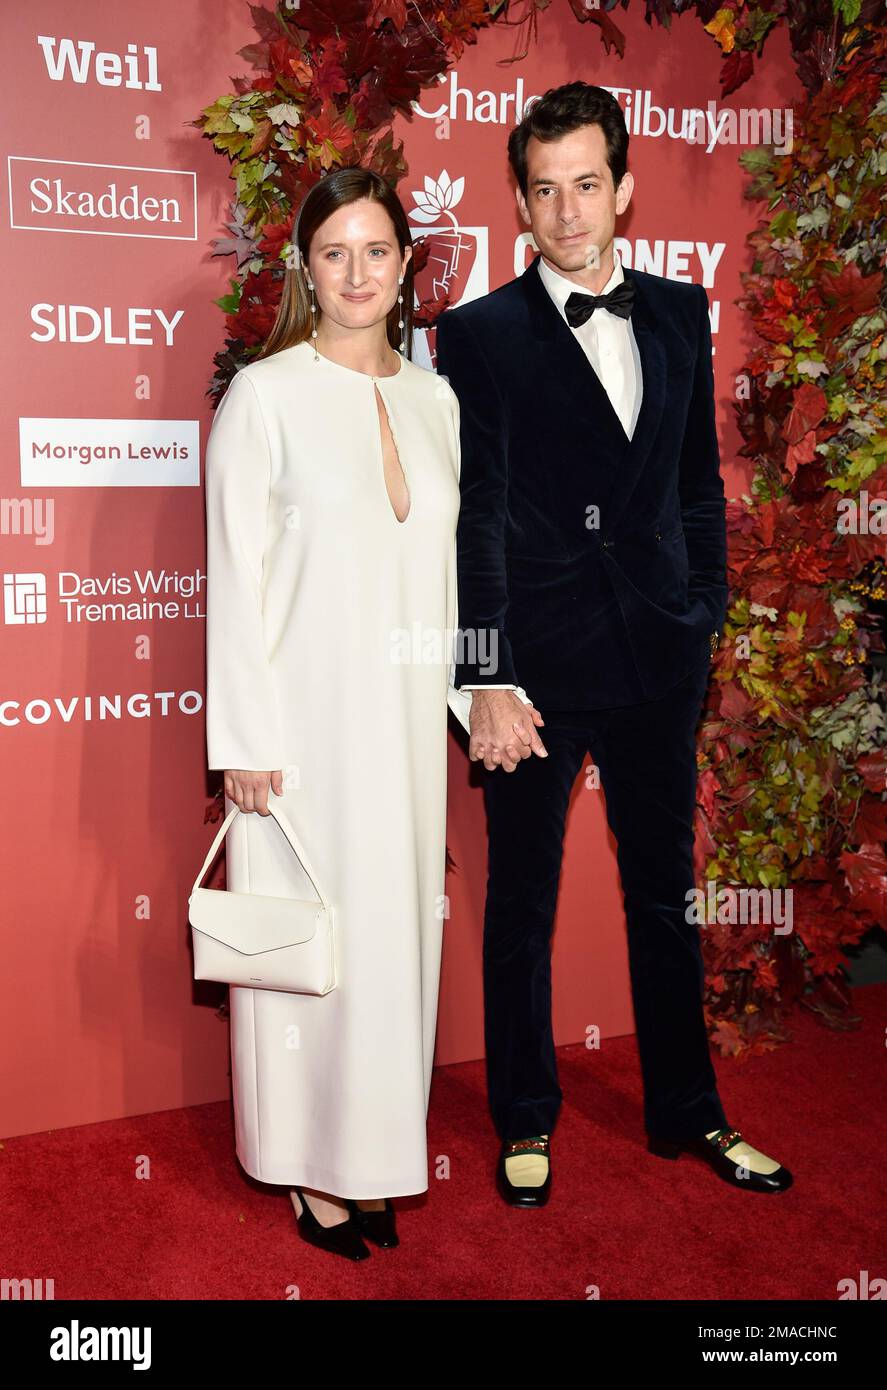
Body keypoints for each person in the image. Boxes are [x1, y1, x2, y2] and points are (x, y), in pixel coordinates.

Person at [435, 82, 793, 1207]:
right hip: (534, 675)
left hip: (655, 660)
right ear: (521, 202)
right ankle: (524, 1116)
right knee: (523, 906)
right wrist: (483, 671)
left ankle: (690, 1111)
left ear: (623, 189)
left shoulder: (682, 313)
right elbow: (475, 513)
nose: (566, 212)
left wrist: (704, 610)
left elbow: (695, 485)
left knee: (662, 898)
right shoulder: (480, 333)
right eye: (543, 191)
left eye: (585, 185)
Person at [204, 166, 464, 1260]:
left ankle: (369, 1160)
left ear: (404, 265)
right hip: (300, 731)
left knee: (391, 947)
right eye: (332, 255)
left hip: (403, 729)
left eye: (374, 252)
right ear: (304, 274)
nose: (356, 274)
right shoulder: (264, 395)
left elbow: (452, 576)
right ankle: (310, 1170)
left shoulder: (435, 397)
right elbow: (235, 574)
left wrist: (473, 690)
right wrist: (245, 744)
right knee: (311, 954)